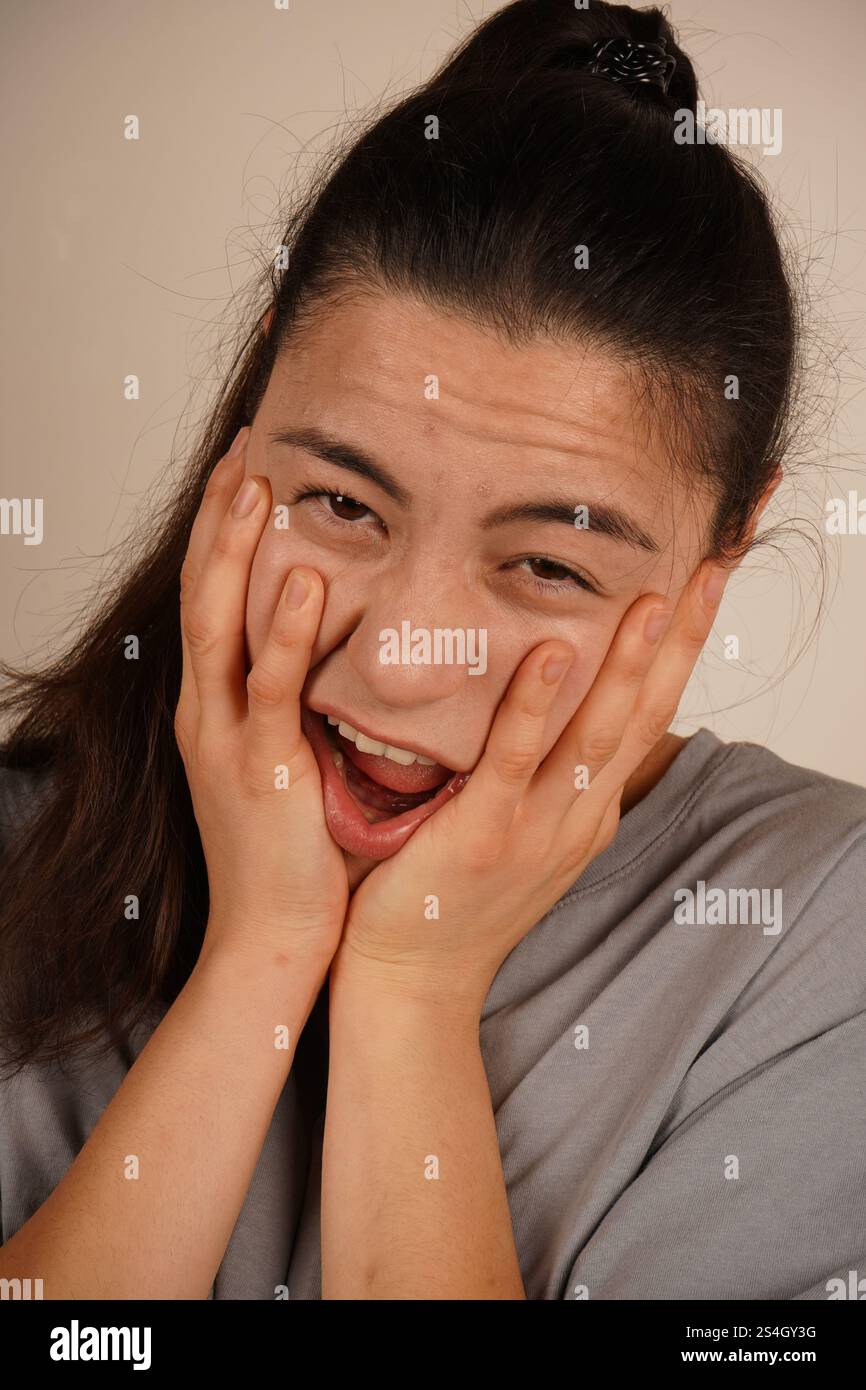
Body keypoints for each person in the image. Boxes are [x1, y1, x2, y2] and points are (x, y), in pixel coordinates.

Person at [0, 0, 863, 1301]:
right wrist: (262, 957)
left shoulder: (821, 942)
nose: (400, 659)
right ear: (244, 446)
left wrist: (410, 991)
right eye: (341, 502)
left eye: (547, 564)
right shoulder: (27, 852)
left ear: (711, 570)